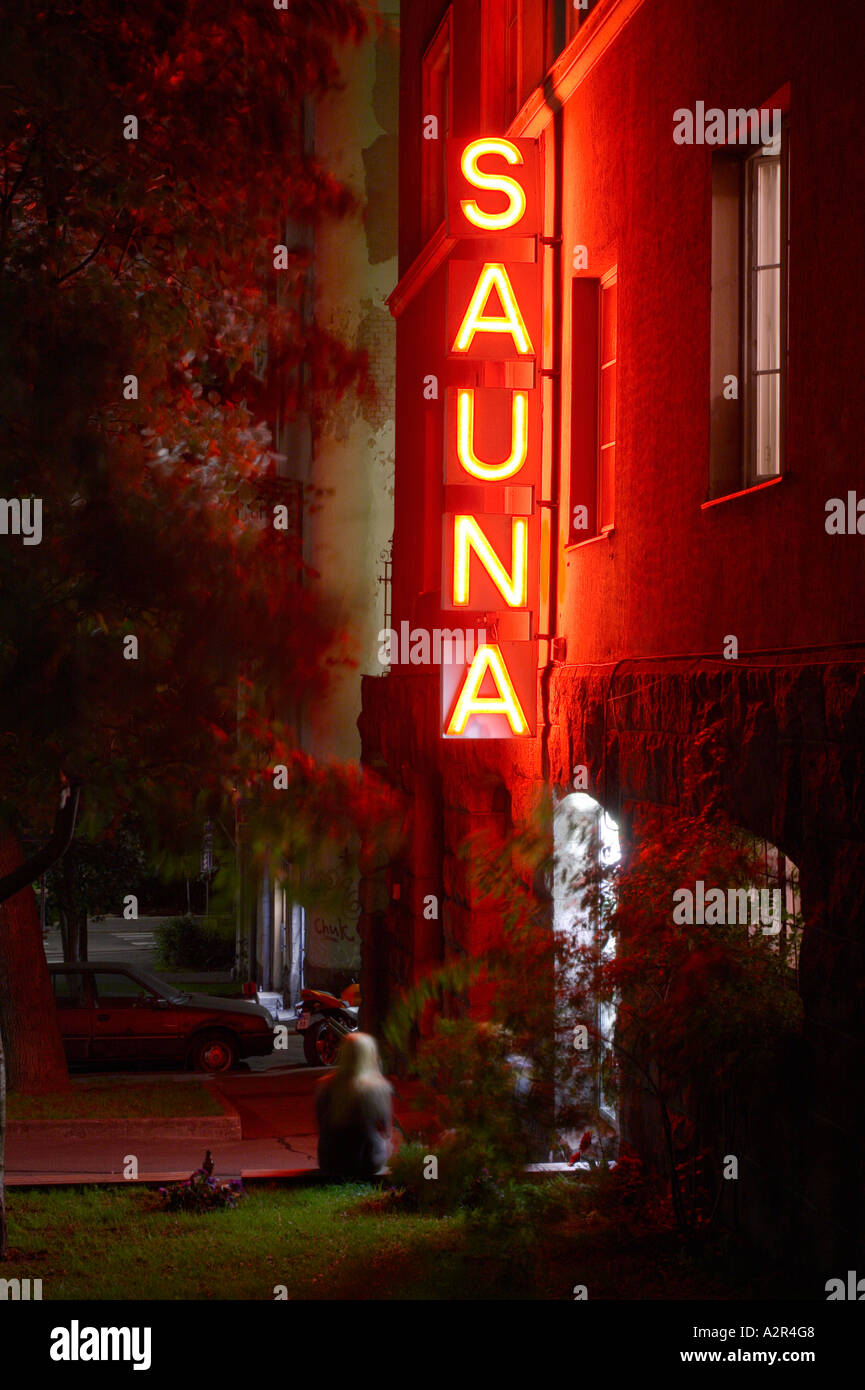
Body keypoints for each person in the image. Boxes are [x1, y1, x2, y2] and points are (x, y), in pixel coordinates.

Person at [315, 1032, 393, 1179]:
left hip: (330, 1163)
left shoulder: (325, 1085)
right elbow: (386, 1130)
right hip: (367, 1162)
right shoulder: (378, 1087)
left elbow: (319, 1124)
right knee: (385, 1142)